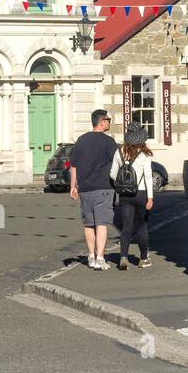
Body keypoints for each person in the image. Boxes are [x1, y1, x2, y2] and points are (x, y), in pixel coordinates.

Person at [69, 109, 118, 270]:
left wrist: (73, 186)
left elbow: (73, 166)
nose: (110, 122)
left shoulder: (81, 140)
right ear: (102, 121)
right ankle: (100, 257)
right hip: (103, 187)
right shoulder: (108, 141)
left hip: (85, 188)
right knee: (101, 223)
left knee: (89, 224)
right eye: (108, 119)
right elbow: (118, 162)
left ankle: (91, 255)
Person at [111, 123, 155, 270]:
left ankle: (123, 257)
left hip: (125, 195)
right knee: (142, 226)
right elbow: (148, 176)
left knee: (126, 227)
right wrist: (150, 198)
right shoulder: (145, 154)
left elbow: (112, 174)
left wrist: (121, 183)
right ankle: (143, 258)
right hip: (141, 193)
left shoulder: (119, 152)